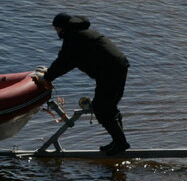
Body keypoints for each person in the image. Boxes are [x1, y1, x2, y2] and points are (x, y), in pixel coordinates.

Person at [38, 13, 131, 155]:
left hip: (110, 71)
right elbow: (68, 63)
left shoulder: (73, 38)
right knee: (109, 108)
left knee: (101, 109)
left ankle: (120, 143)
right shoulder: (80, 34)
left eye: (56, 28)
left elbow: (62, 61)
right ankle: (117, 141)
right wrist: (50, 75)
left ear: (62, 28)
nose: (56, 32)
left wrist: (48, 77)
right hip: (118, 66)